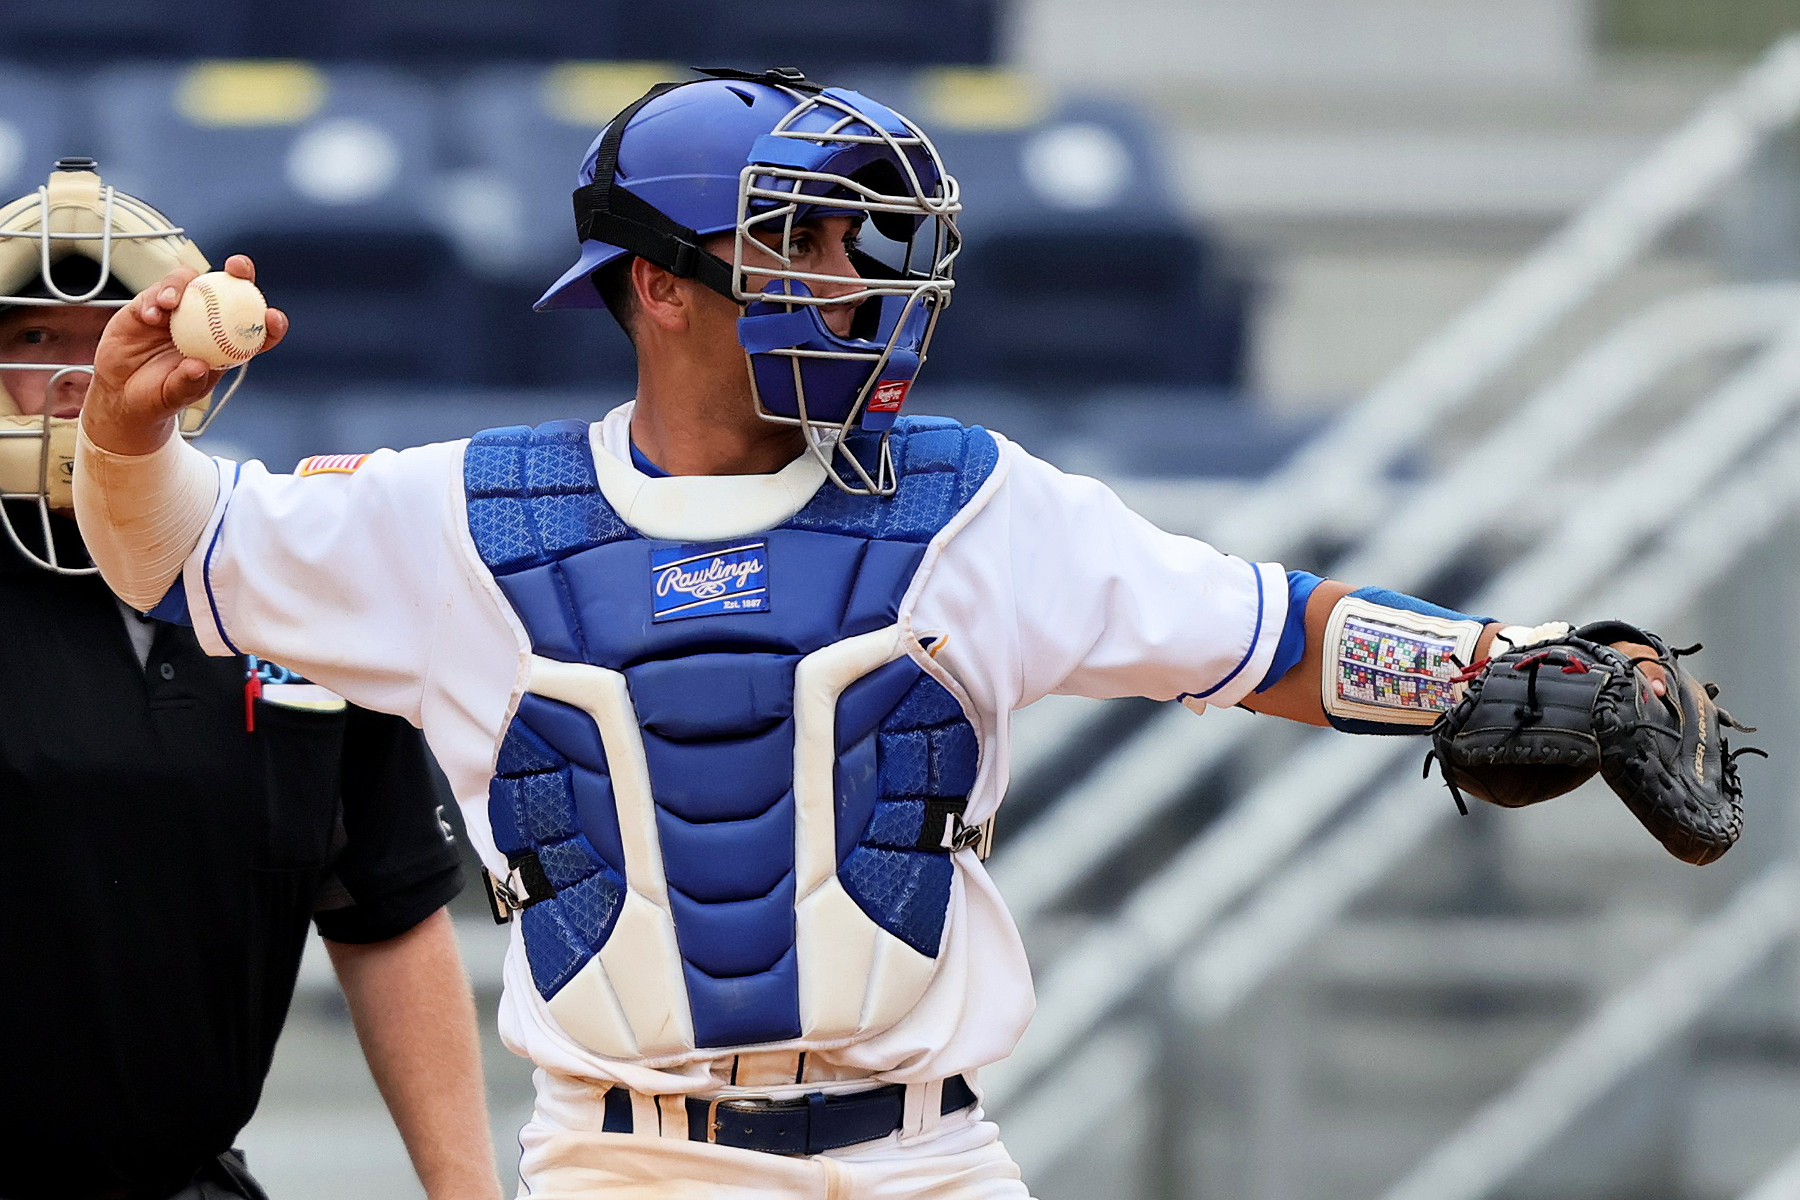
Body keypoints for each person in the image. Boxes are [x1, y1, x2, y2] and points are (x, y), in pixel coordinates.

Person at [69, 71, 1672, 1198]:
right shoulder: (467, 517)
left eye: (860, 240)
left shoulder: (973, 499)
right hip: (631, 1165)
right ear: (659, 289)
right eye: (803, 243)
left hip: (933, 1159)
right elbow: (175, 556)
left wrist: (1510, 668)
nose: (855, 281)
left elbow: (1268, 634)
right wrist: (129, 434)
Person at [0, 159, 503, 1200]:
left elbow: (386, 906)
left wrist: (465, 1193)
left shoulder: (283, 576)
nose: (74, 374)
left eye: (102, 333)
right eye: (33, 338)